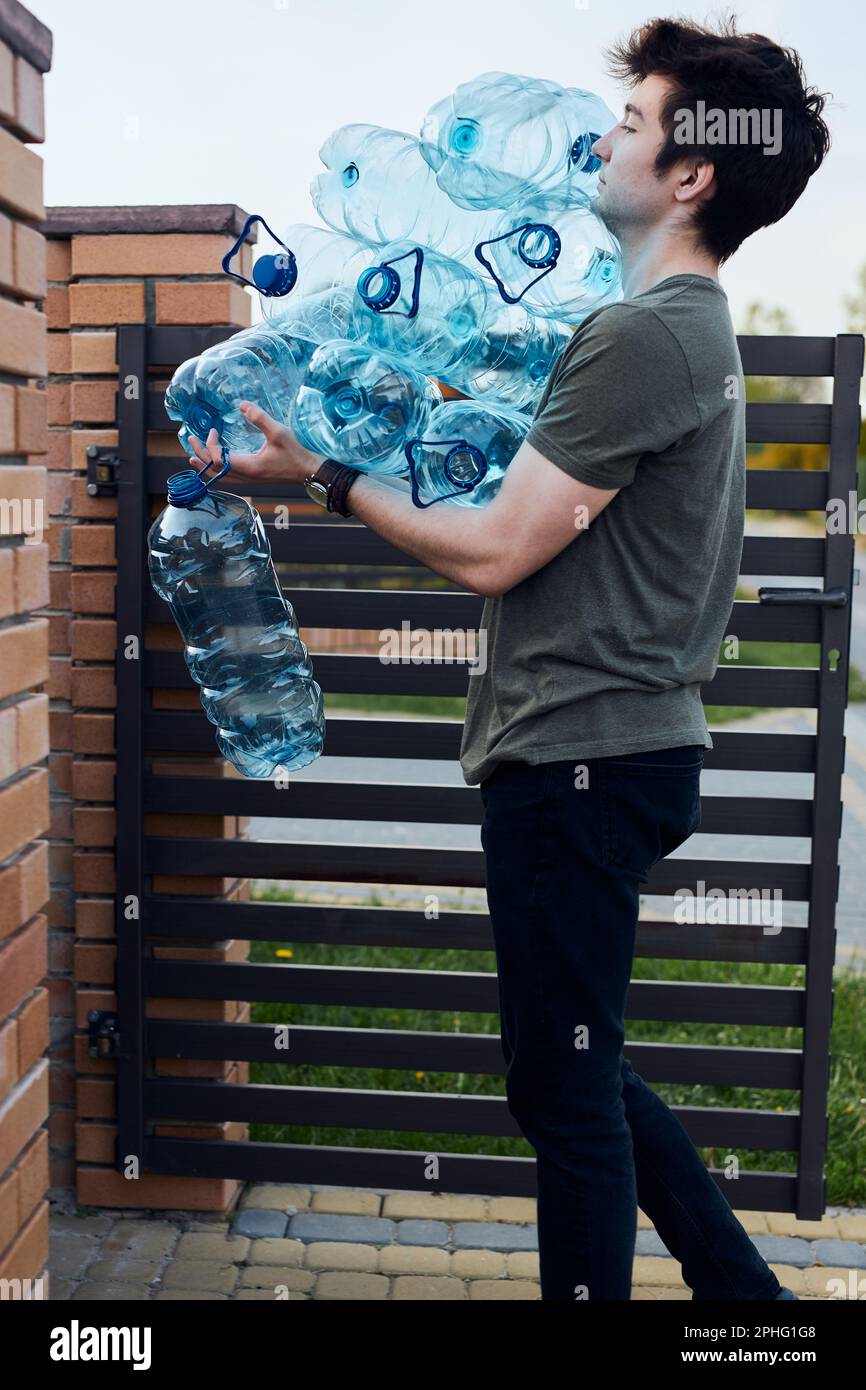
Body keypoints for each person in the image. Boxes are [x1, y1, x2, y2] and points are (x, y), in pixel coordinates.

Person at [188, 15, 830, 1300]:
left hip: (581, 764)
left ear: (692, 172)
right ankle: (750, 1312)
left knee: (564, 1098)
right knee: (572, 1071)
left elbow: (490, 552)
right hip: (608, 759)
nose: (604, 140)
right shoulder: (667, 327)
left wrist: (318, 473)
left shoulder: (644, 333)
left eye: (636, 123)